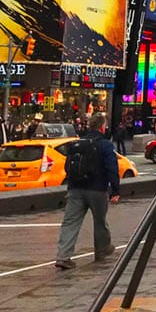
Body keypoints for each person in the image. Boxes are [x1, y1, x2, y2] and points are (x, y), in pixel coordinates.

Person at [54, 113, 120, 270]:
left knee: (70, 222)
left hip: (75, 188)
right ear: (103, 127)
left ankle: (63, 256)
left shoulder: (77, 143)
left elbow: (67, 167)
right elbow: (112, 168)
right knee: (99, 221)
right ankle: (102, 250)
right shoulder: (105, 145)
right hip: (97, 189)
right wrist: (115, 189)